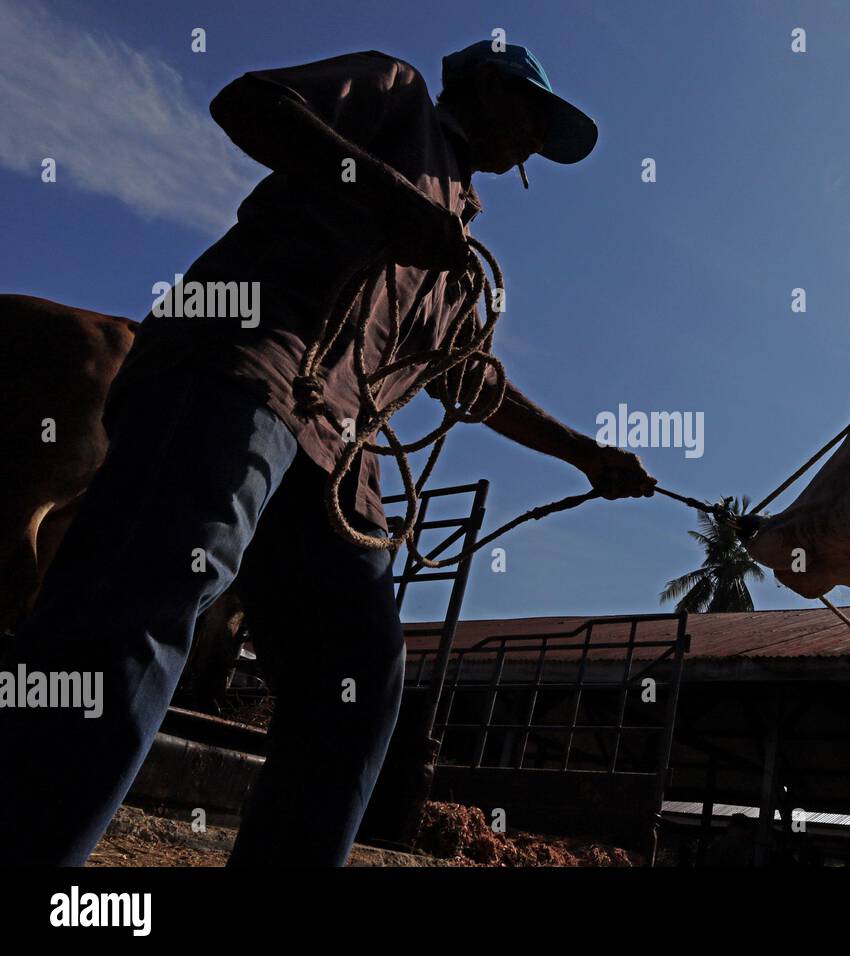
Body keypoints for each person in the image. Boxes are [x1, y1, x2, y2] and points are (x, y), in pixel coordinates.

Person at [0, 40, 655, 866]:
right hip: (246, 370)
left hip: (338, 466)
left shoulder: (457, 261)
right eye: (531, 113)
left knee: (358, 675)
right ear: (484, 89)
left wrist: (586, 454)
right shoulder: (398, 96)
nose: (532, 141)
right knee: (147, 602)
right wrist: (389, 199)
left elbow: (471, 382)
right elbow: (250, 102)